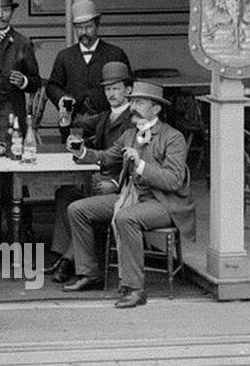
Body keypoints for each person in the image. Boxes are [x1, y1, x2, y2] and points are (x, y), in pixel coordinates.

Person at [61, 81, 196, 309]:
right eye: (133, 101)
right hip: (132, 196)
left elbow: (173, 180)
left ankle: (135, 289)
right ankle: (89, 274)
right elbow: (105, 156)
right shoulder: (130, 134)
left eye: (140, 102)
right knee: (78, 209)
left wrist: (141, 164)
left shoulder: (173, 137)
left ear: (156, 109)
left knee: (126, 218)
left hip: (165, 203)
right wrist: (80, 150)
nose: (133, 107)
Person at [47, 61, 137, 283]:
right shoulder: (107, 115)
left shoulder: (134, 119)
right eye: (107, 89)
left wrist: (116, 184)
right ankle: (63, 255)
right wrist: (66, 119)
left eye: (116, 88)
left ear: (128, 90)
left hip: (122, 185)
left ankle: (68, 262)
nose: (111, 94)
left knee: (85, 202)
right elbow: (81, 122)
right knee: (65, 194)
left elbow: (135, 161)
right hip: (98, 177)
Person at [45, 0, 131, 137]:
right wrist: (62, 99)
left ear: (97, 25)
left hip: (109, 122)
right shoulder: (64, 56)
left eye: (89, 27)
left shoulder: (115, 54)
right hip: (74, 122)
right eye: (79, 28)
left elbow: (129, 85)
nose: (84, 32)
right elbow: (52, 86)